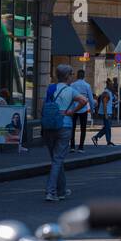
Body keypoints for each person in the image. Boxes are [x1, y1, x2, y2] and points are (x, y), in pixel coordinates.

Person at [41, 64, 80, 202]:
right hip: (65, 126)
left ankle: (62, 191)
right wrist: (71, 111)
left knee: (57, 160)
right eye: (72, 74)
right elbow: (84, 100)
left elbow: (44, 105)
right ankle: (51, 192)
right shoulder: (71, 90)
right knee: (58, 160)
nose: (72, 77)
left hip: (49, 127)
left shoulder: (51, 88)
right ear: (68, 76)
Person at [70, 67, 94, 152]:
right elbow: (91, 99)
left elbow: (70, 98)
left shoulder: (72, 85)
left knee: (72, 128)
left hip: (74, 109)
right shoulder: (87, 86)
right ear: (84, 76)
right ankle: (81, 147)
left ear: (77, 76)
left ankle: (72, 146)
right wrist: (92, 110)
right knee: (83, 128)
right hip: (83, 109)